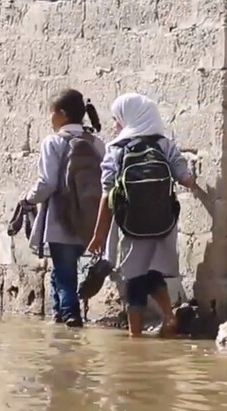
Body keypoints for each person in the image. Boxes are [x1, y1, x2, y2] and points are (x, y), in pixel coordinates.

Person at [86, 93, 197, 337]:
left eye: (117, 119)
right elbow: (185, 177)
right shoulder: (164, 144)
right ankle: (169, 318)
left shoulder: (116, 149)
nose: (116, 125)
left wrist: (98, 234)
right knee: (153, 272)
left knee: (133, 278)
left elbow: (107, 193)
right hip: (163, 224)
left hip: (130, 226)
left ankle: (134, 338)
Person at [24, 89, 104, 328]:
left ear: (62, 114)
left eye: (51, 113)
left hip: (60, 222)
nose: (50, 119)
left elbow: (47, 182)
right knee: (61, 269)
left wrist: (28, 199)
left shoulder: (53, 142)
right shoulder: (97, 143)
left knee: (65, 272)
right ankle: (58, 315)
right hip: (88, 221)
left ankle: (71, 314)